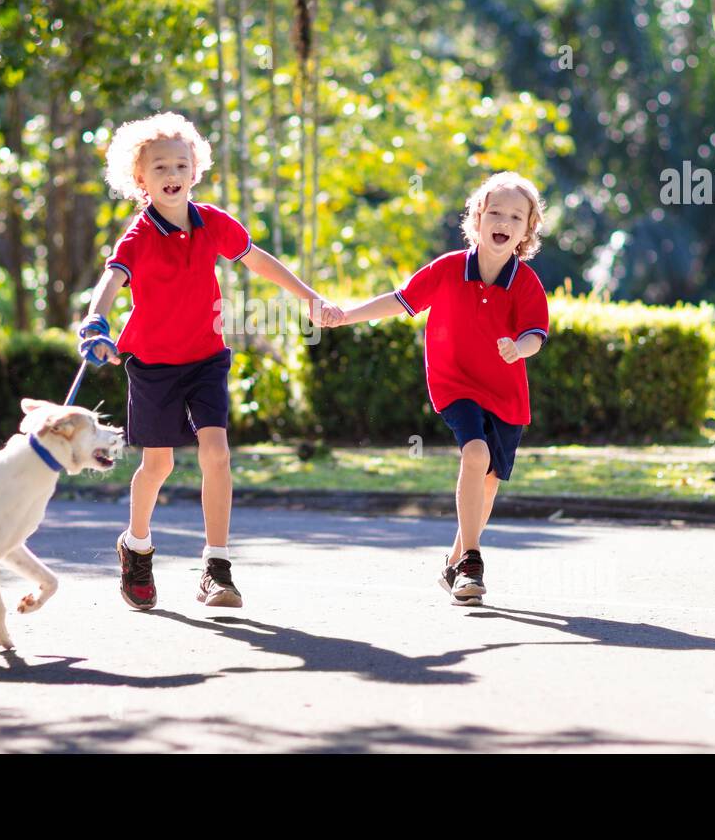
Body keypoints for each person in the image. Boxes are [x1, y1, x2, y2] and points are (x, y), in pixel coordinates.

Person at [78, 111, 341, 610]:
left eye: (181, 164)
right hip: (153, 364)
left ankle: (216, 567)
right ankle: (136, 548)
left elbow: (259, 260)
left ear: (195, 171)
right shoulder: (136, 236)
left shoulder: (212, 222)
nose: (172, 175)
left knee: (216, 453)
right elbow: (111, 281)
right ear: (140, 180)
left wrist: (308, 297)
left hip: (206, 359)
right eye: (159, 168)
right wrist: (94, 322)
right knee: (158, 465)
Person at [337, 172, 549, 605]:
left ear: (527, 230)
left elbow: (535, 334)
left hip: (506, 395)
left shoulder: (525, 282)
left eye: (515, 216)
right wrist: (344, 315)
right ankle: (472, 560)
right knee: (476, 454)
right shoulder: (449, 268)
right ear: (477, 216)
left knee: (488, 482)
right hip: (456, 384)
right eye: (494, 211)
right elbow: (400, 300)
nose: (503, 220)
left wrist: (519, 349)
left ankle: (454, 563)